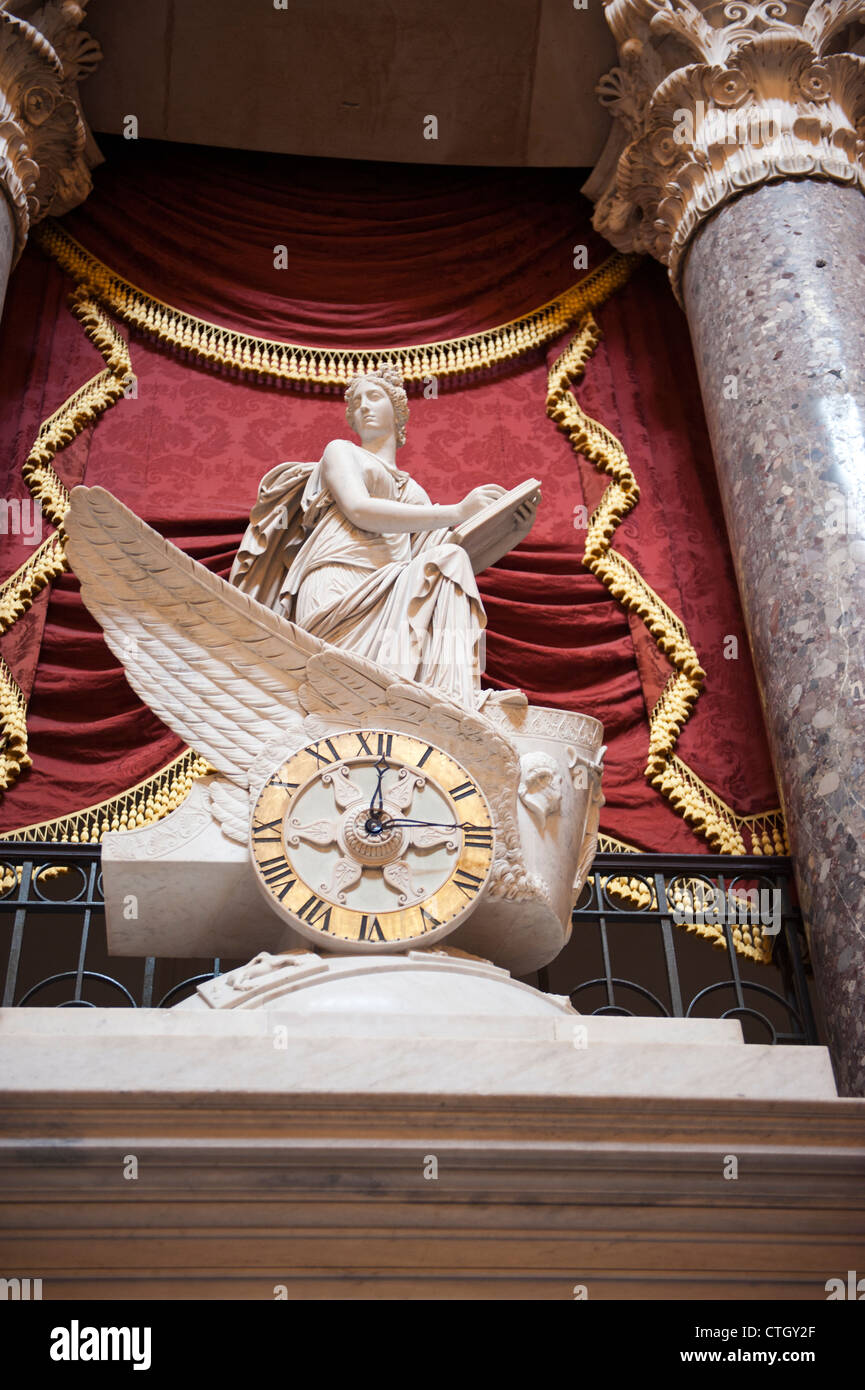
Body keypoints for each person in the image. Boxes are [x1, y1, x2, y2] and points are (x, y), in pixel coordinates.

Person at [230, 364, 514, 709]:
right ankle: (454, 699)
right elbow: (360, 509)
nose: (363, 406)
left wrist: (509, 528)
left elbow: (446, 564)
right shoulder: (341, 452)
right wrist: (456, 511)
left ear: (397, 414)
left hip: (390, 588)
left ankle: (455, 698)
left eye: (374, 397)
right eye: (357, 402)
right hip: (337, 576)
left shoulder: (416, 493)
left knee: (451, 560)